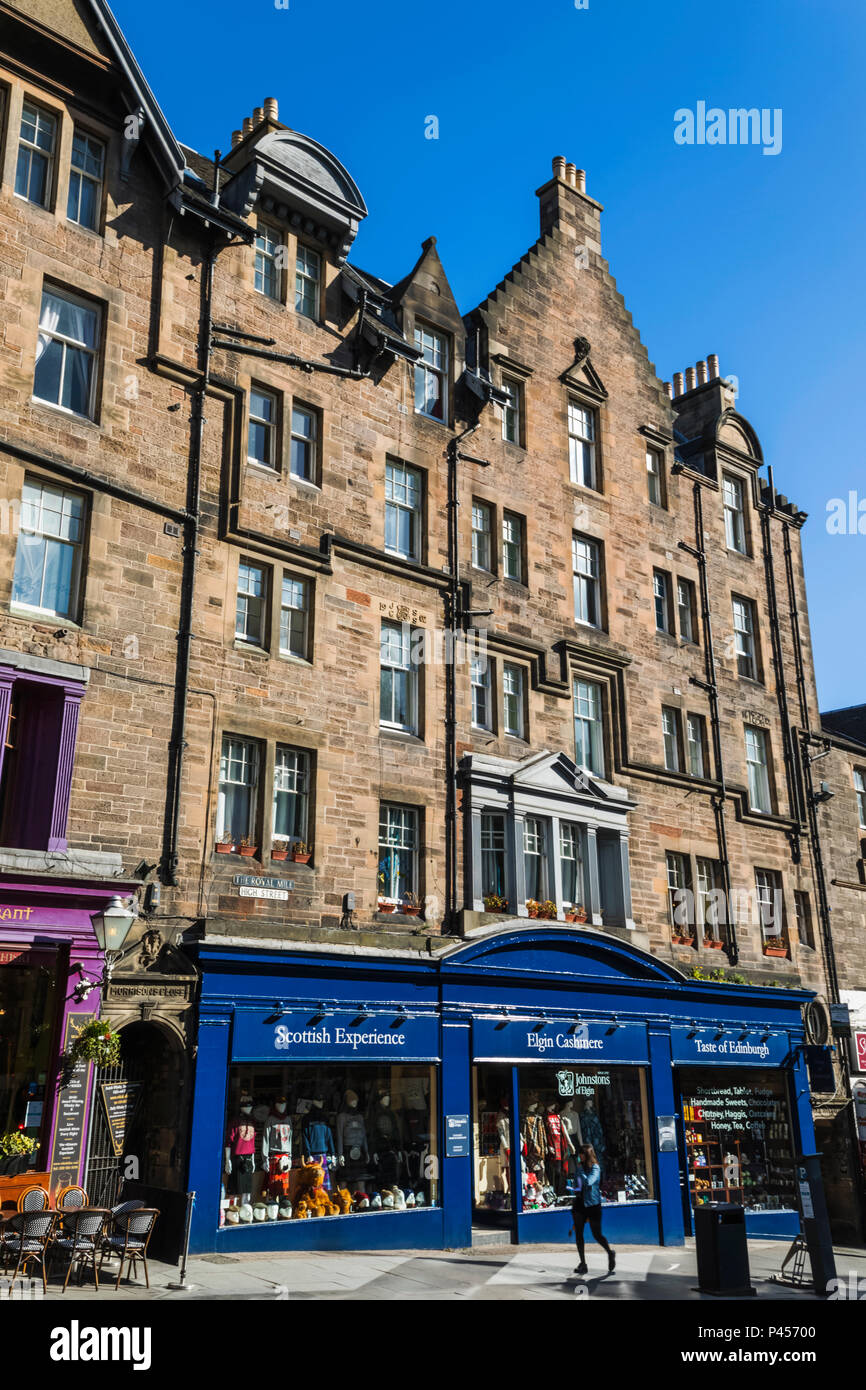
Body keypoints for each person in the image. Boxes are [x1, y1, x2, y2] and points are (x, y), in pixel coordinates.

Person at [570, 1143, 615, 1274]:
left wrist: (580, 1172)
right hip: (579, 1204)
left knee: (597, 1234)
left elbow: (589, 1182)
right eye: (579, 1153)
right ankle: (583, 1263)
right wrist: (575, 1187)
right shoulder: (580, 1168)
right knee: (579, 1234)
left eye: (582, 1154)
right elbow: (577, 1185)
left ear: (587, 1155)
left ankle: (609, 1252)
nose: (579, 1156)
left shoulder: (595, 1168)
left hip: (593, 1205)